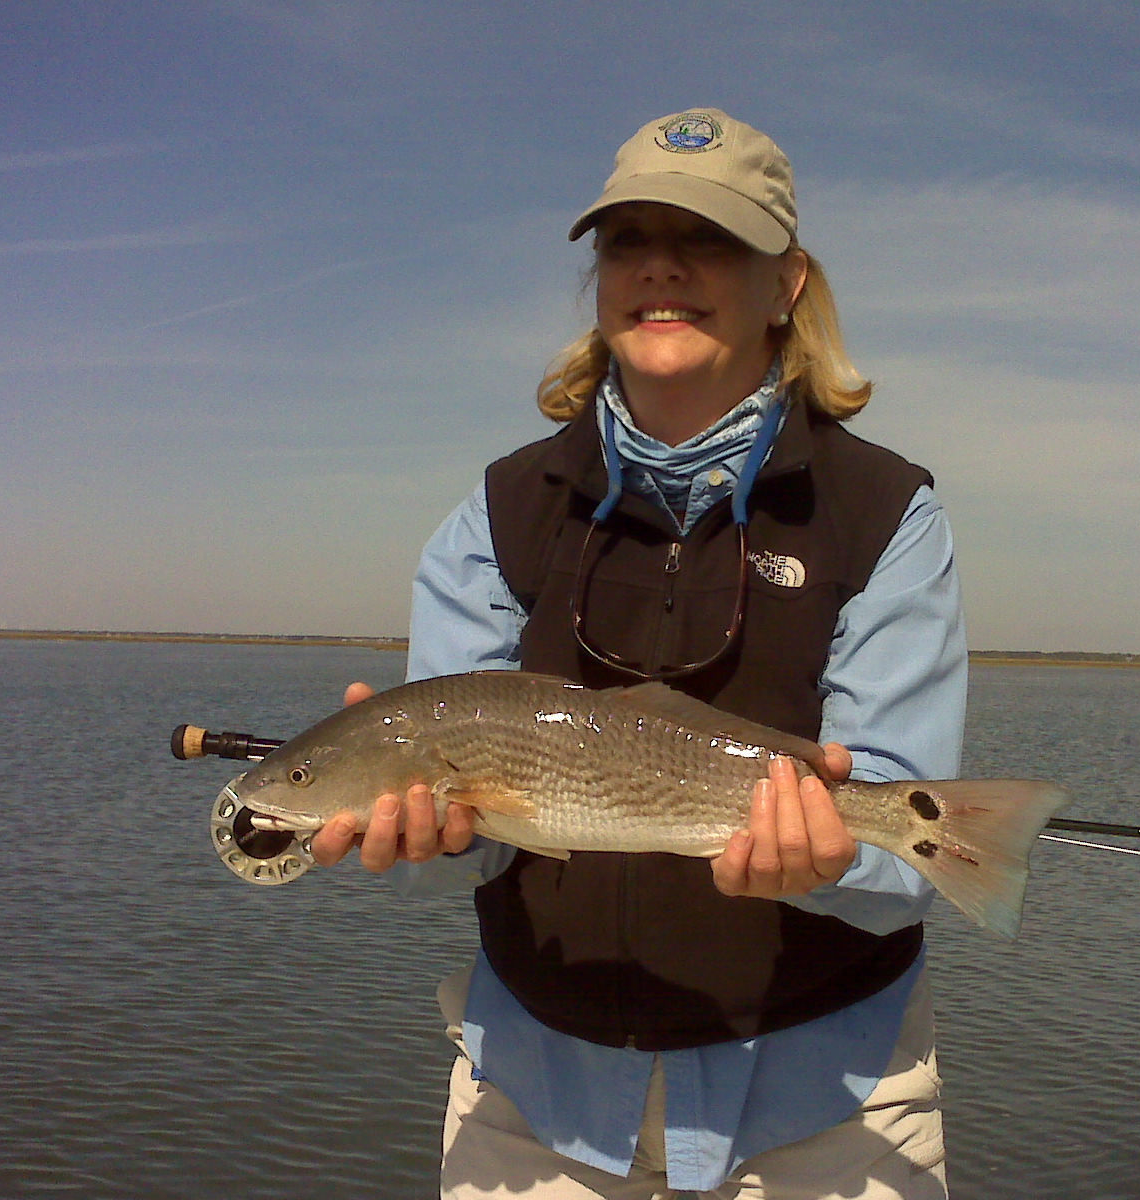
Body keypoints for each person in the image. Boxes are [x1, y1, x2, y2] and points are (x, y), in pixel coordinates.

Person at [311, 108, 967, 1199]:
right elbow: (480, 842)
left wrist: (837, 851)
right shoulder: (499, 511)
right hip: (533, 1102)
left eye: (708, 238)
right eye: (628, 240)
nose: (661, 267)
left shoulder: (884, 511)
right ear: (598, 276)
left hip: (827, 1102)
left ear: (786, 280)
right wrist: (428, 832)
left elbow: (908, 859)